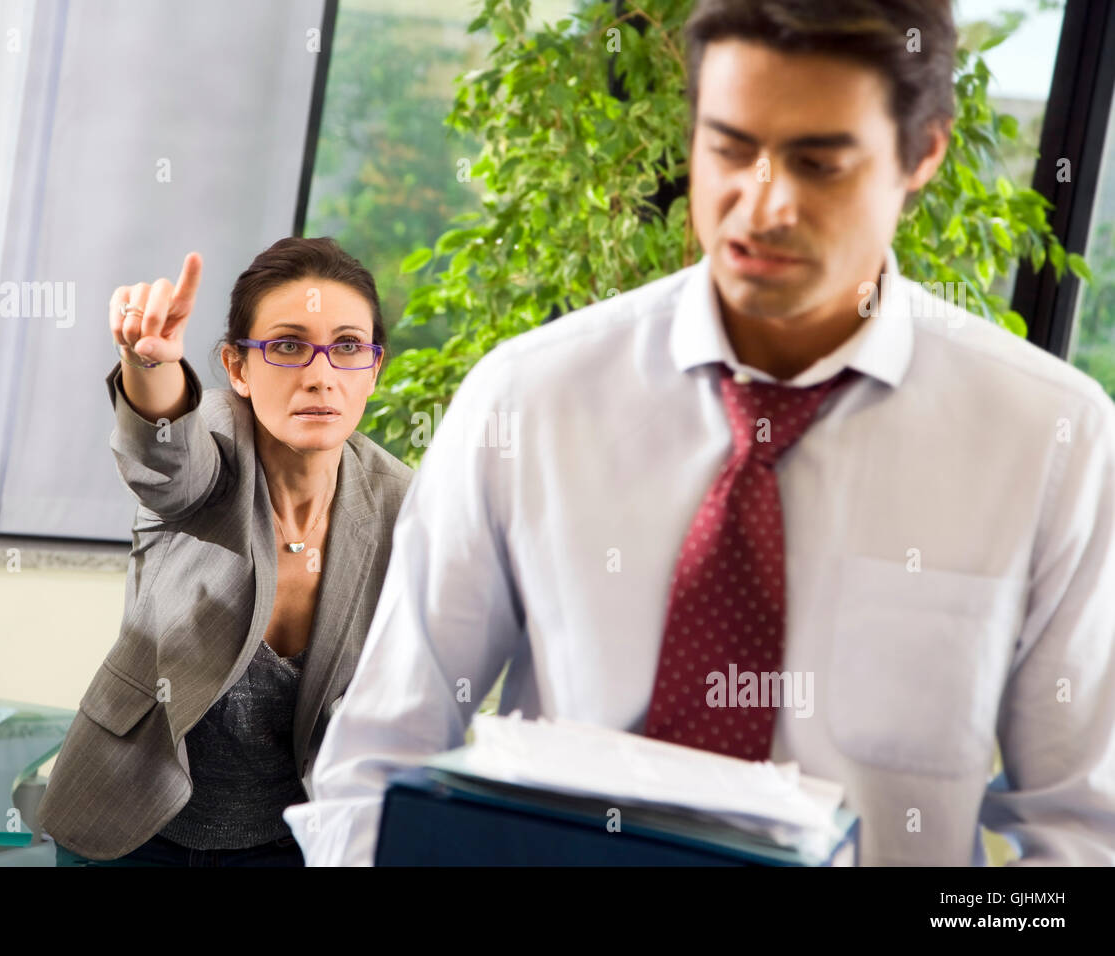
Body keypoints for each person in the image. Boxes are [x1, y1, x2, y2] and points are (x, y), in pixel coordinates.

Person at [287, 0, 1115, 866]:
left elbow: (1081, 837)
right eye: (730, 147)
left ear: (924, 153)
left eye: (819, 162)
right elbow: (375, 767)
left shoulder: (1054, 441)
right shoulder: (527, 399)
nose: (763, 205)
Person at [39, 236, 413, 866]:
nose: (321, 375)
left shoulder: (403, 507)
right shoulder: (212, 444)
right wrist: (149, 365)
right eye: (288, 346)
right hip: (129, 820)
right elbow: (165, 461)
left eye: (347, 347)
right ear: (238, 368)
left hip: (285, 840)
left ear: (373, 369)